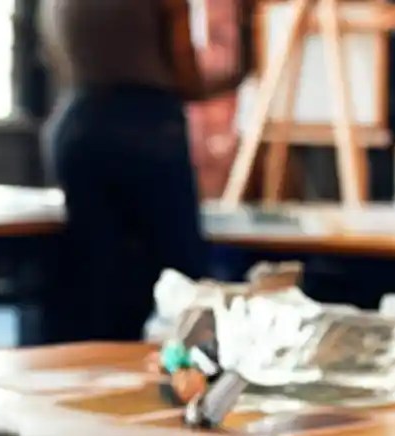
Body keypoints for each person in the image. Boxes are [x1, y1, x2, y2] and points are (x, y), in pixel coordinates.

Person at [38, 0, 259, 343]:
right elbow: (186, 75)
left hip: (77, 125)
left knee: (98, 272)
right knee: (182, 274)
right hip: (146, 128)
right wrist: (243, 67)